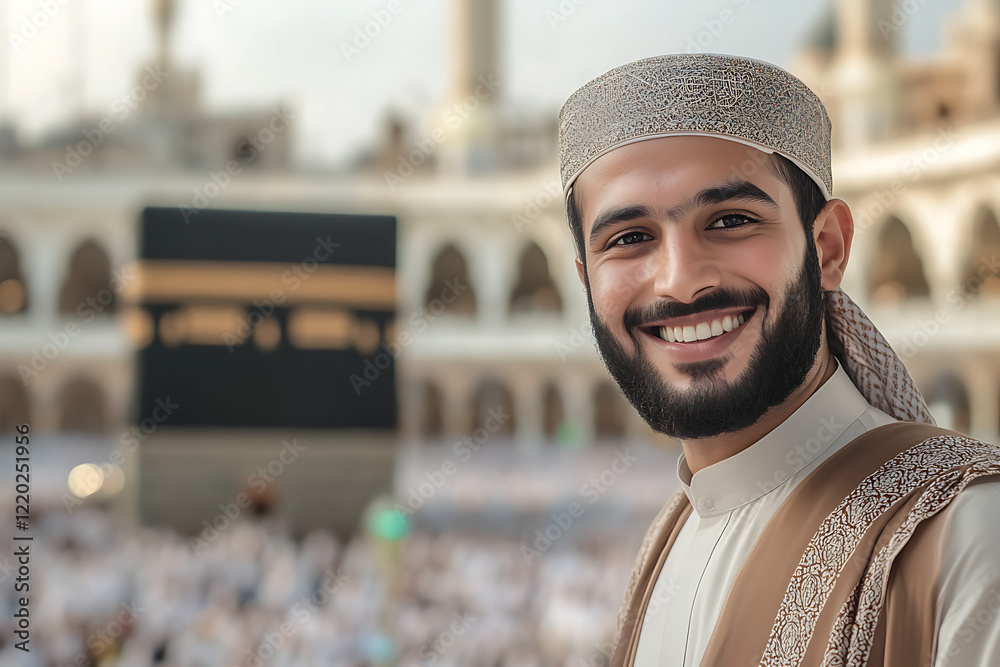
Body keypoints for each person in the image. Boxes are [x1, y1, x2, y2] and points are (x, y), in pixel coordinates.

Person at [557, 53, 1000, 667]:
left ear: (827, 248)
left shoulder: (967, 532)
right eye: (629, 238)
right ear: (587, 279)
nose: (681, 281)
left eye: (731, 221)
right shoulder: (664, 544)